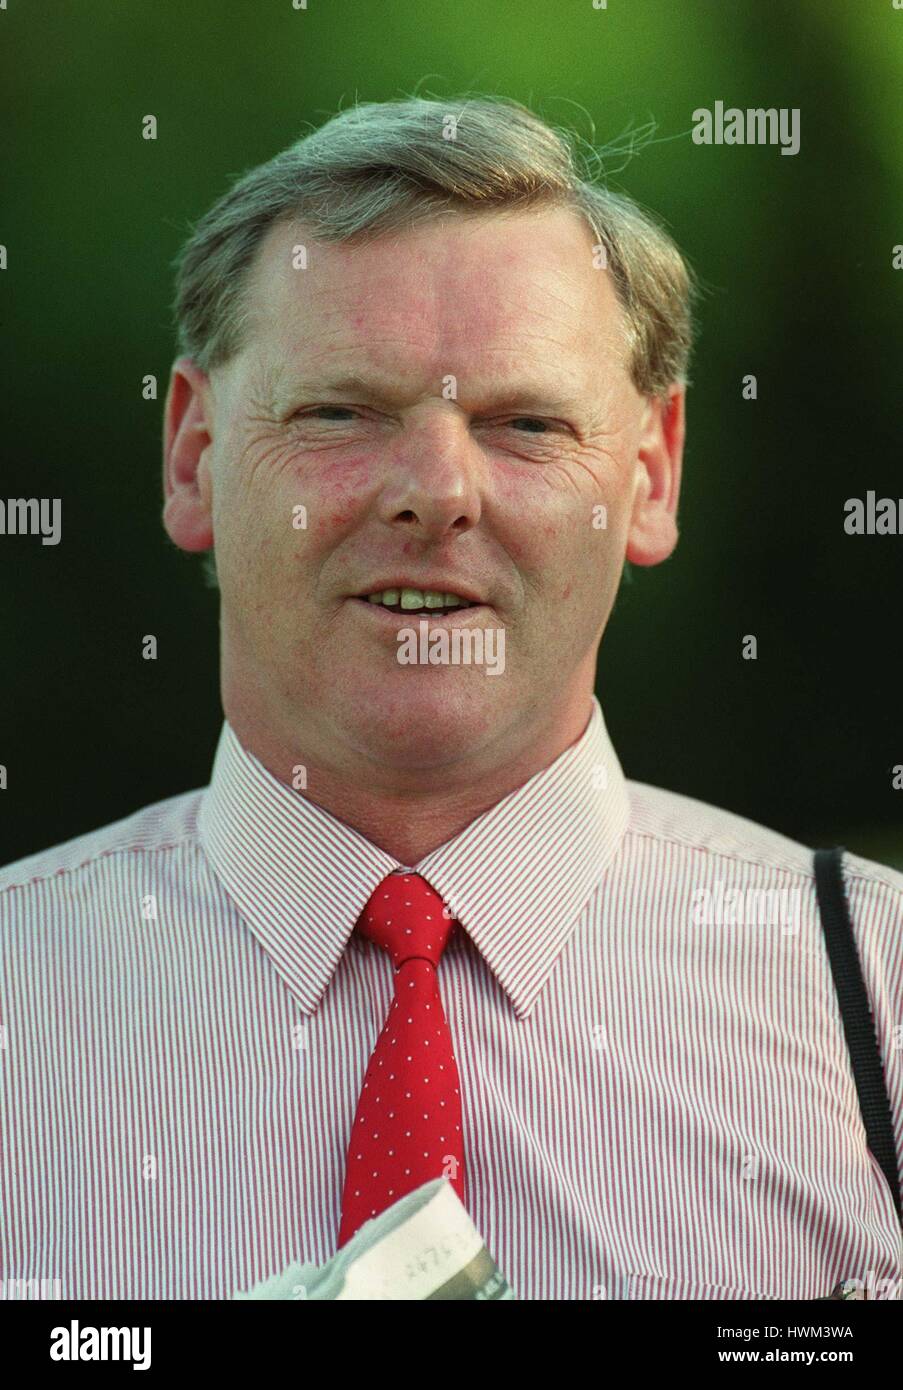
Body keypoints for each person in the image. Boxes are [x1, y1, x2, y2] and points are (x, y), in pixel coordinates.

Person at [1, 96, 900, 1302]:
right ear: (191, 456)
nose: (437, 491)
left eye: (525, 422)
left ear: (651, 475)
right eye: (340, 411)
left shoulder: (878, 1001)